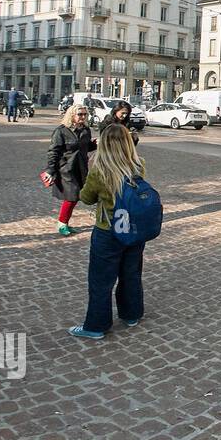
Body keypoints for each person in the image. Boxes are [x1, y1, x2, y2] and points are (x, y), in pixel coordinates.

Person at [67, 119, 150, 340]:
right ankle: (131, 314)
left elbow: (86, 198)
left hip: (108, 230)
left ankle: (96, 325)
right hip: (134, 229)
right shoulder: (138, 164)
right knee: (131, 274)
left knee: (101, 280)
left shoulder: (100, 169)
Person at [43, 103, 98, 235]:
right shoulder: (61, 131)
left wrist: (93, 145)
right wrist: (50, 169)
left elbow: (84, 148)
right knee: (71, 196)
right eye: (80, 114)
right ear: (72, 115)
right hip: (66, 169)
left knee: (76, 196)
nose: (83, 117)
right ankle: (62, 224)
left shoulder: (85, 130)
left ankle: (64, 222)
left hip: (81, 167)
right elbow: (53, 151)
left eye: (85, 114)